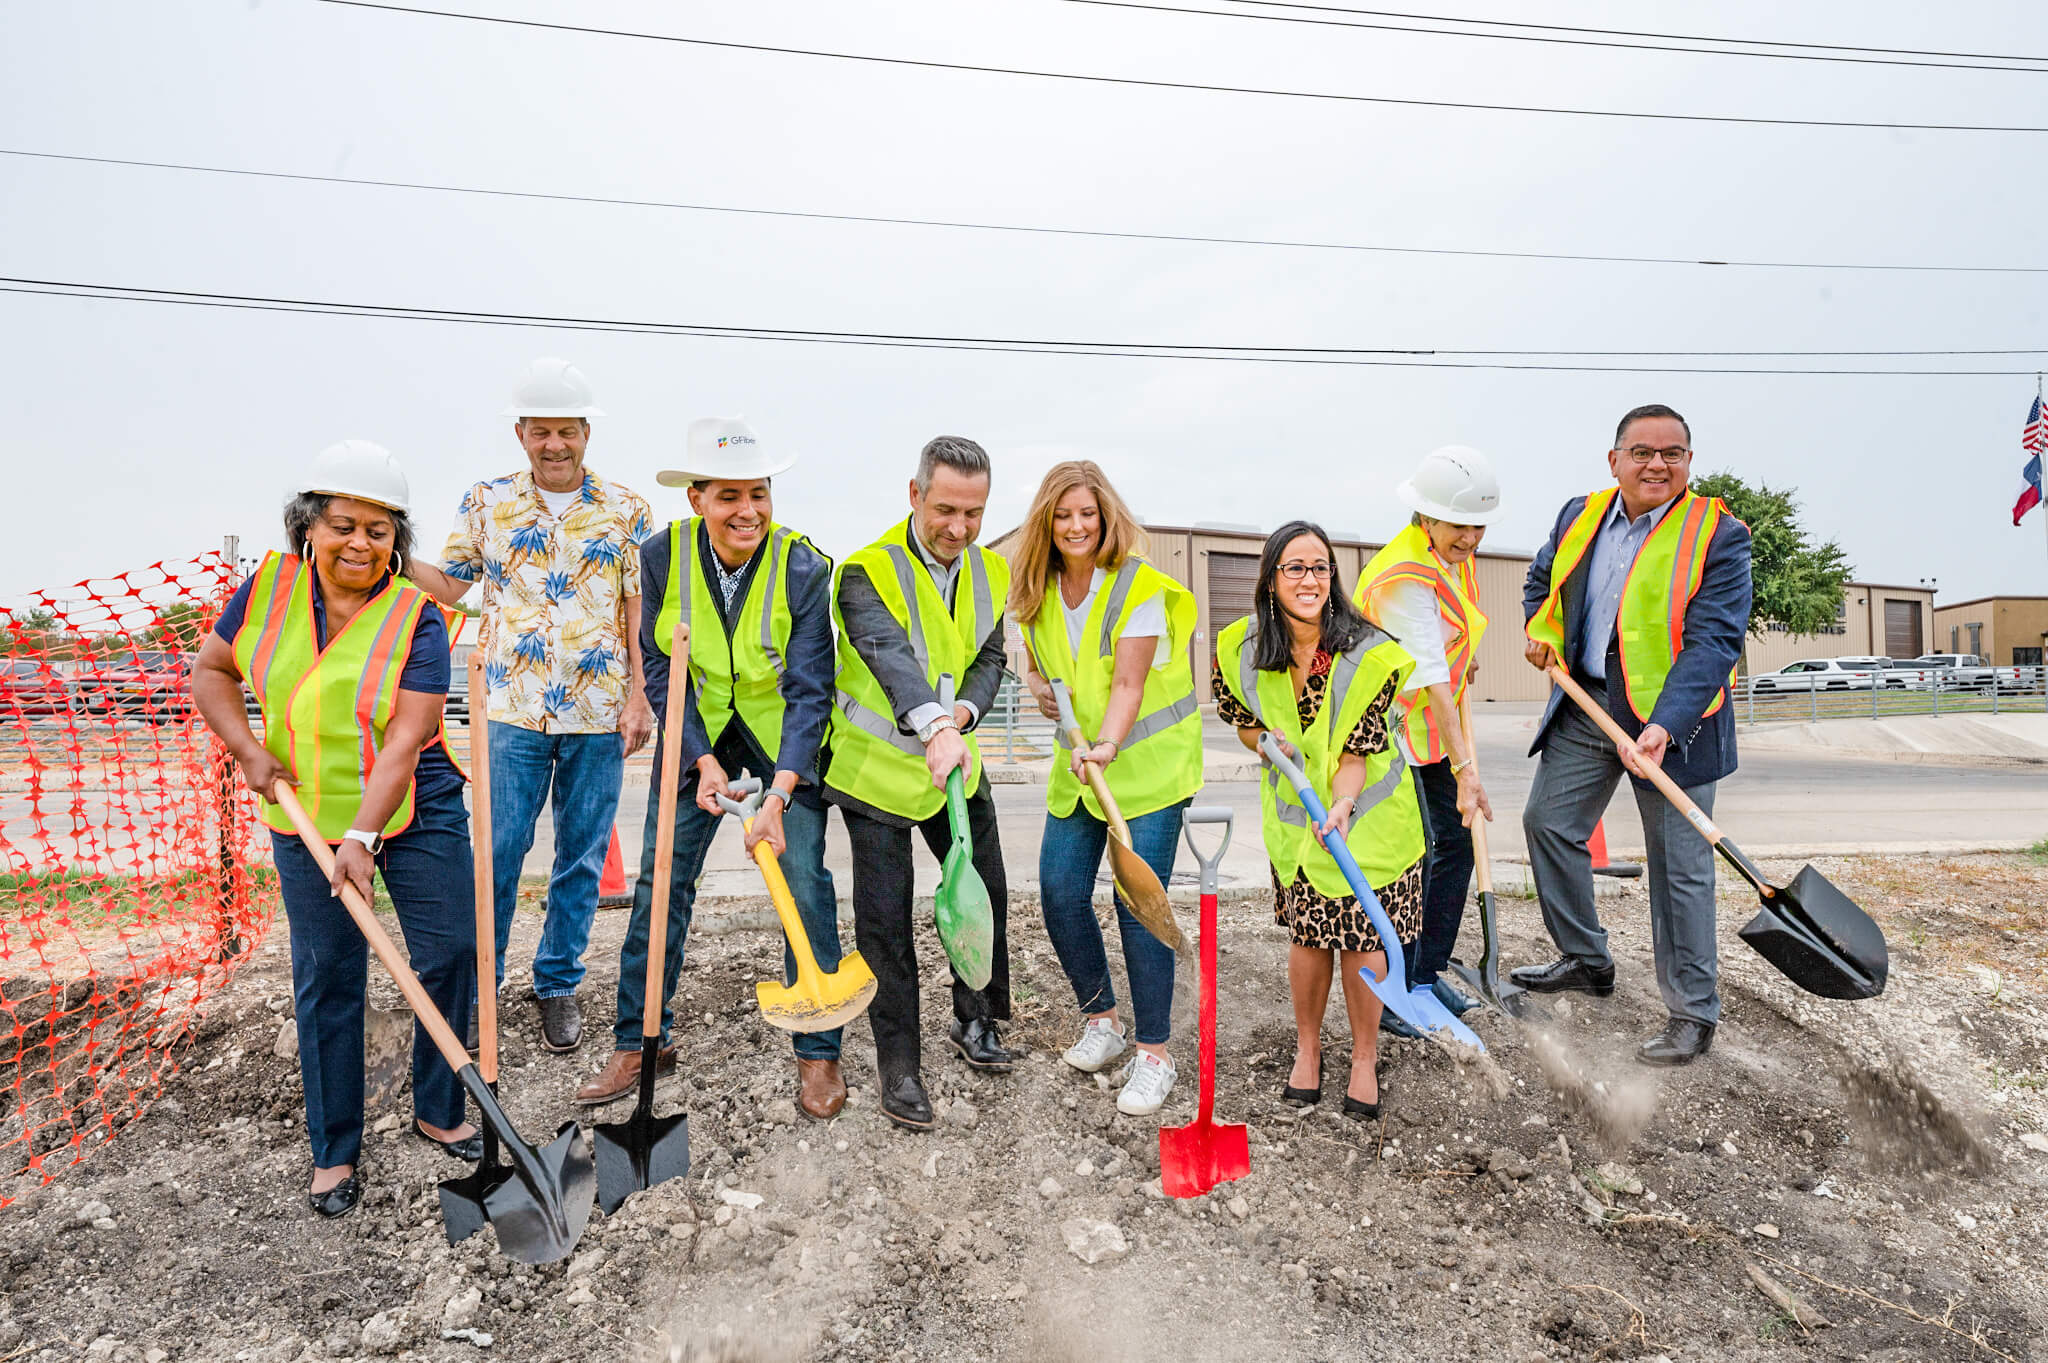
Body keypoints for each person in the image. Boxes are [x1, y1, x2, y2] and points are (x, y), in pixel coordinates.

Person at [189, 442, 479, 1219]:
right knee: (328, 974)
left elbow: (406, 737)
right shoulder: (266, 590)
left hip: (413, 802)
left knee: (450, 949)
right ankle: (335, 1147)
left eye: (380, 531)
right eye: (344, 525)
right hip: (303, 811)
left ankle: (439, 1106)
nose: (361, 543)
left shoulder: (417, 615)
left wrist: (364, 834)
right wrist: (248, 750)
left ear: (398, 540)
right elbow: (210, 671)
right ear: (308, 527)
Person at [573, 418, 849, 1118]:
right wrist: (697, 758)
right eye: (729, 495)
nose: (747, 510)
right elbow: (662, 665)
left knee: (805, 882)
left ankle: (818, 1049)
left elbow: (812, 687)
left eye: (758, 493)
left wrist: (781, 793)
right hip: (700, 736)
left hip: (778, 736)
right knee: (661, 880)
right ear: (696, 499)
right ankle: (642, 1039)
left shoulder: (803, 565)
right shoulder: (662, 556)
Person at [405, 358, 654, 1055]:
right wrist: (394, 553)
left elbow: (638, 608)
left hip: (598, 710)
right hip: (510, 708)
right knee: (501, 848)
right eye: (540, 431)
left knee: (580, 854)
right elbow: (451, 588)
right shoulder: (487, 502)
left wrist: (640, 695)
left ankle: (557, 982)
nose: (554, 444)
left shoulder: (627, 510)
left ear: (585, 432)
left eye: (566, 431)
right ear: (520, 433)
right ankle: (481, 979)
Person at [1515, 403, 1753, 1066]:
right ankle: (1587, 957)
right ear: (1614, 459)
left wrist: (1662, 726)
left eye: (1672, 453)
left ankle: (1693, 1011)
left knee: (1680, 868)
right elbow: (1543, 581)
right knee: (1548, 823)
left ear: (1689, 462)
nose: (1657, 464)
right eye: (1643, 451)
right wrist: (1542, 630)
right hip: (1590, 704)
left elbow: (1713, 643)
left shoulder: (1719, 536)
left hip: (1678, 726)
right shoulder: (1578, 515)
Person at [824, 436, 1017, 1131]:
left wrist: (963, 715)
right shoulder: (864, 571)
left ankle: (978, 1019)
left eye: (974, 512)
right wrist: (936, 726)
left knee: (987, 891)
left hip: (955, 769)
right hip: (877, 773)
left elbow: (990, 655)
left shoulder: (993, 571)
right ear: (914, 495)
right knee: (885, 921)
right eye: (945, 509)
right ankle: (899, 1063)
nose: (959, 528)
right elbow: (890, 657)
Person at [1213, 522, 1426, 1119]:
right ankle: (1308, 1049)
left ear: (1333, 577)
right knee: (1309, 936)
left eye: (1320, 568)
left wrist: (1343, 805)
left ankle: (1363, 1057)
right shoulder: (1242, 646)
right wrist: (1264, 741)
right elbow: (1241, 718)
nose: (1310, 579)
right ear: (1272, 578)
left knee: (1363, 939)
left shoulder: (1368, 651)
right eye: (1295, 567)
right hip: (1297, 826)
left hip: (1369, 822)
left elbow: (1357, 752)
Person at [1008, 461, 1202, 1117]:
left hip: (1146, 765)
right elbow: (1037, 666)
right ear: (1047, 523)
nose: (1076, 525)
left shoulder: (1138, 585)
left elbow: (1128, 685)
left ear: (1105, 514)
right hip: (1082, 765)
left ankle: (1155, 1054)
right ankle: (1104, 1019)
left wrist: (1109, 745)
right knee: (1060, 889)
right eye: (1062, 515)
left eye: (1086, 512)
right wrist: (1037, 689)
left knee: (1137, 900)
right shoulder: (1036, 589)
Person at [1356, 446, 1500, 1037]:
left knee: (1457, 844)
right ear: (1426, 517)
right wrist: (1468, 770)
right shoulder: (1405, 578)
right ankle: (1391, 990)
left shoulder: (1446, 557)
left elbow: (1450, 652)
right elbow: (1432, 685)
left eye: (1477, 525)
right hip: (1392, 732)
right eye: (1458, 525)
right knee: (1410, 859)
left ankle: (1423, 972)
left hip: (1430, 726)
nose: (1470, 537)